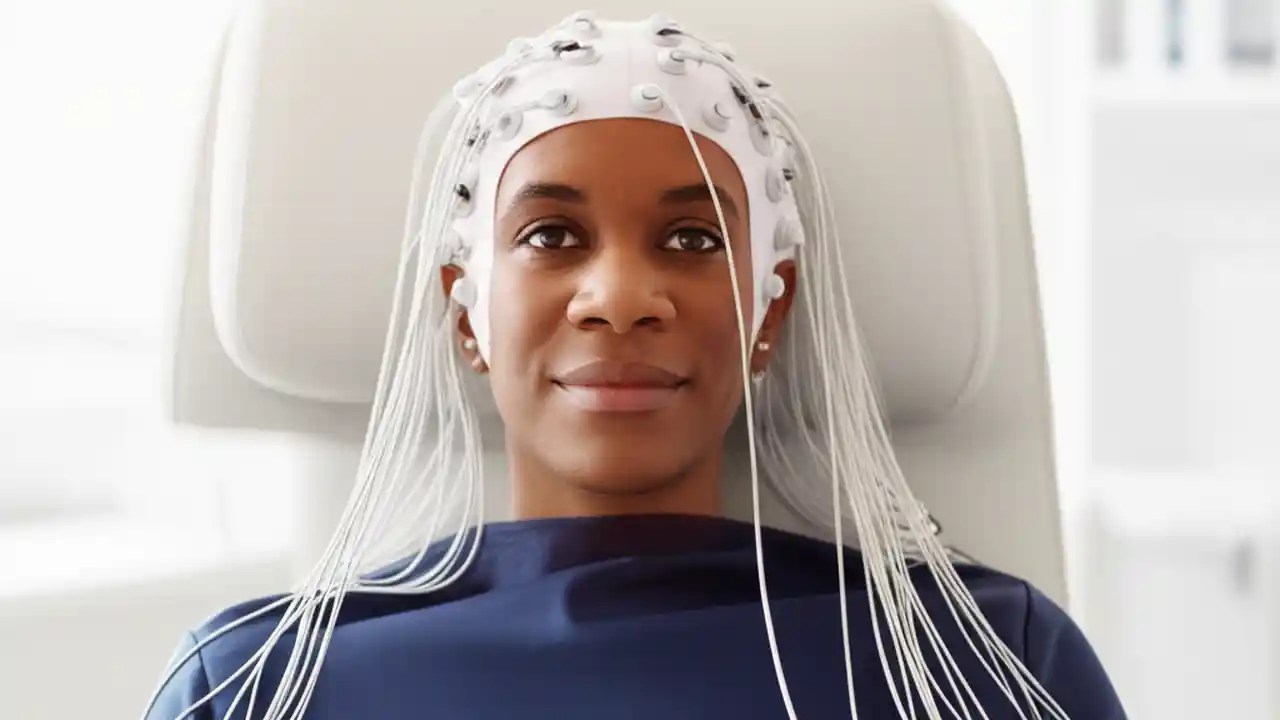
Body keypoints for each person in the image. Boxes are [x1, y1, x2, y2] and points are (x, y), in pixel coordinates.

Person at [143, 12, 1126, 720]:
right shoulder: (259, 688)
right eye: (551, 234)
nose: (618, 295)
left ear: (767, 311)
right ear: (466, 312)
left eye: (693, 240)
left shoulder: (984, 666)